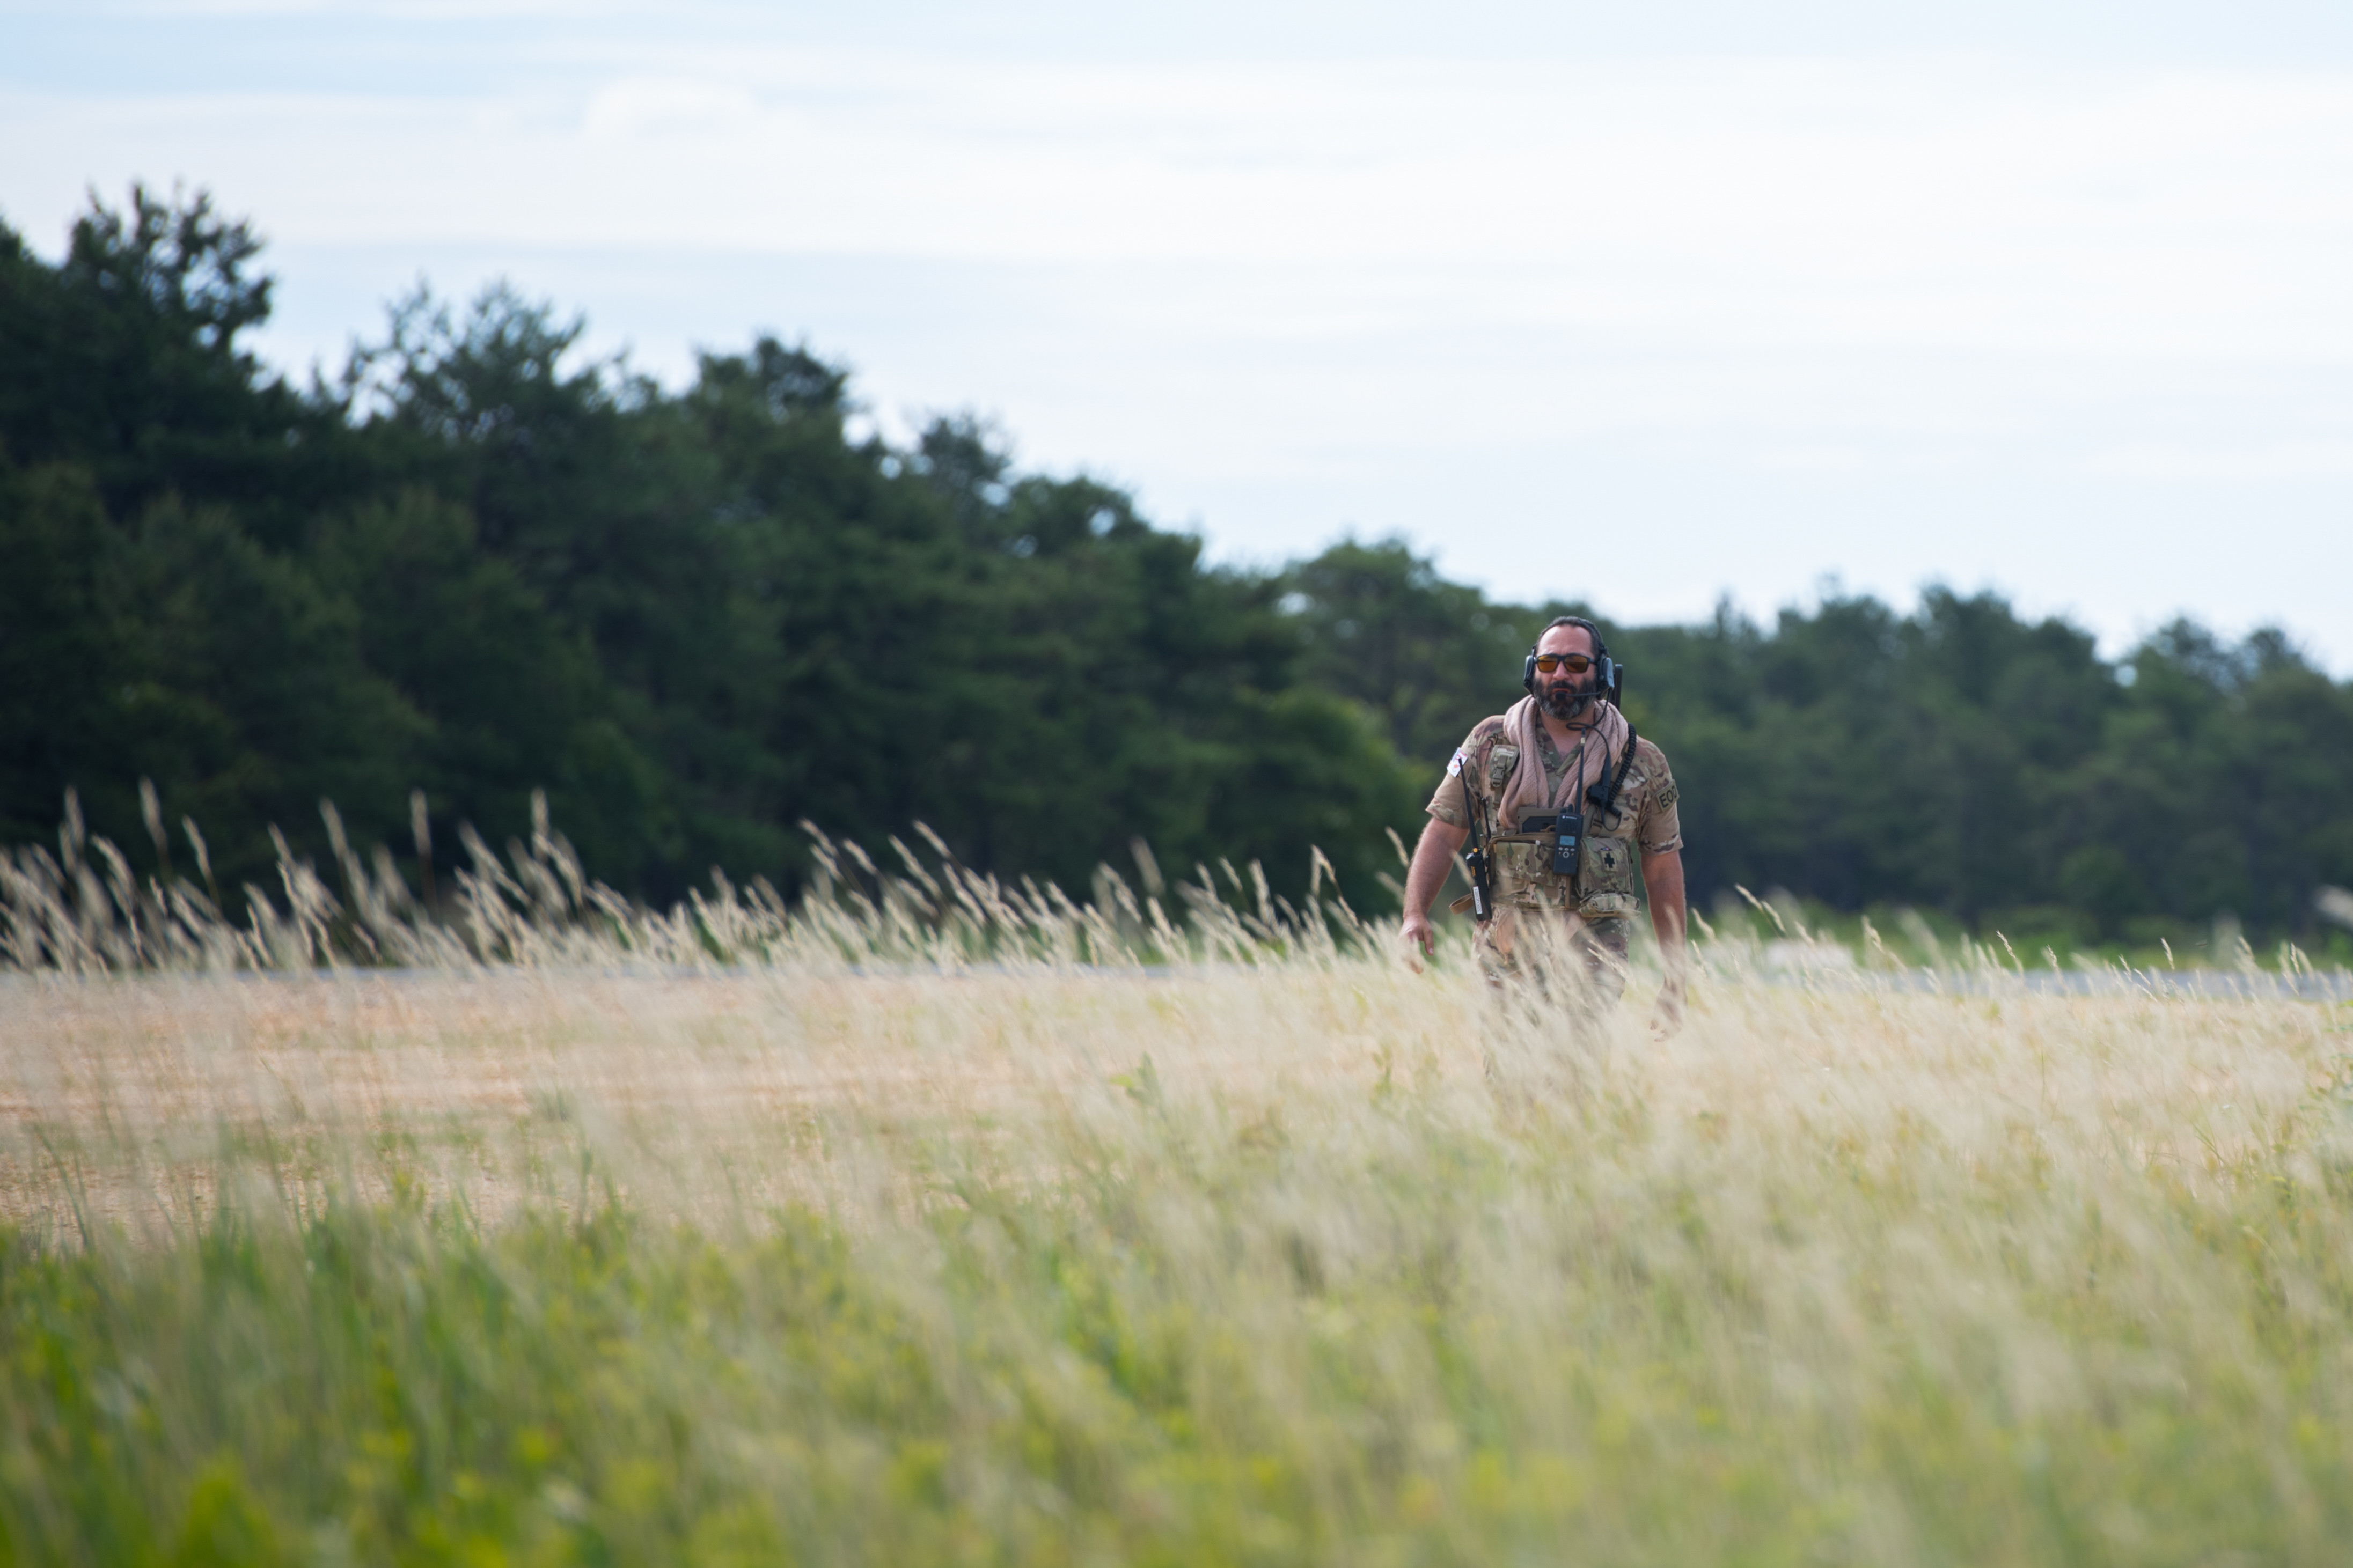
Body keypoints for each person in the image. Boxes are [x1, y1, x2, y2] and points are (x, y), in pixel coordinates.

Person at [1397, 616, 1688, 1034]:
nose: (1560, 675)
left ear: (1601, 672)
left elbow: (1662, 868)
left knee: (1573, 1077)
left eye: (1575, 663)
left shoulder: (1640, 760)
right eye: (1549, 663)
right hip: (1504, 949)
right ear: (1531, 669)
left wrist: (1674, 976)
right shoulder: (1486, 742)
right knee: (1508, 1078)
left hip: (1594, 955)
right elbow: (1444, 830)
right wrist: (1414, 913)